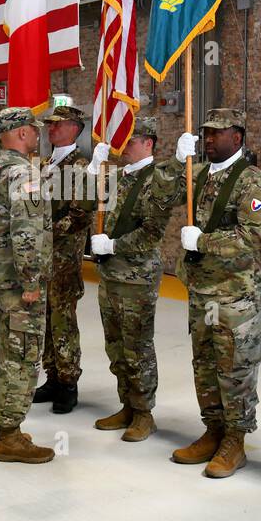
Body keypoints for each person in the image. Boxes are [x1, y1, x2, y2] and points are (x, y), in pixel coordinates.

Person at [158, 108, 261, 478]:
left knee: (235, 368)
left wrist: (203, 241)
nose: (209, 140)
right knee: (205, 364)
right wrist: (176, 163)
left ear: (237, 138)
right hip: (202, 293)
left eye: (217, 134)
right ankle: (213, 430)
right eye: (205, 134)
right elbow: (163, 194)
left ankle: (235, 441)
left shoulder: (253, 183)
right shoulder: (202, 174)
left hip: (236, 297)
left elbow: (253, 237)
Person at [86, 117, 177, 441]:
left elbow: (152, 232)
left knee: (137, 346)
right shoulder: (120, 177)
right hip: (111, 273)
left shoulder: (158, 179)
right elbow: (95, 207)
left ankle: (143, 412)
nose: (124, 145)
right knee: (115, 345)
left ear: (149, 142)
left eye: (132, 139)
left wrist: (114, 244)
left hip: (136, 276)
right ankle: (127, 402)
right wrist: (92, 172)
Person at [0, 107, 55, 464]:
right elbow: (26, 230)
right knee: (20, 355)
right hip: (15, 284)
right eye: (35, 130)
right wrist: (31, 280)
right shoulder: (24, 174)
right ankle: (10, 435)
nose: (39, 135)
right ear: (22, 133)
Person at [33, 99, 95, 413]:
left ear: (74, 129)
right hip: (44, 258)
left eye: (56, 124)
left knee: (63, 321)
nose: (50, 129)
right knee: (46, 319)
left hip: (64, 260)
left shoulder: (80, 168)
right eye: (48, 125)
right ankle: (52, 376)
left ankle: (68, 383)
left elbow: (79, 216)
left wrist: (43, 230)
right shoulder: (46, 165)